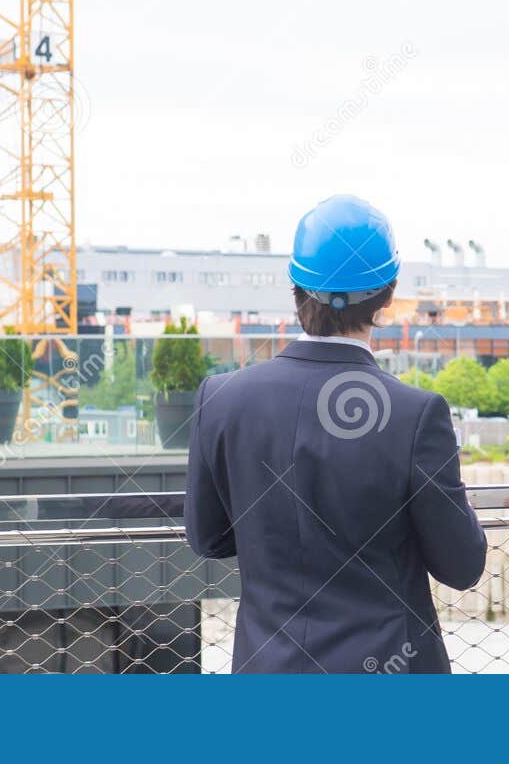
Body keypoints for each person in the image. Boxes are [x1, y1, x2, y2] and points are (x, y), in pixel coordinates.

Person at [184, 194, 488, 673]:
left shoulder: (222, 399)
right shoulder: (415, 414)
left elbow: (208, 538)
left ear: (295, 287)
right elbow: (462, 566)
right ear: (387, 296)